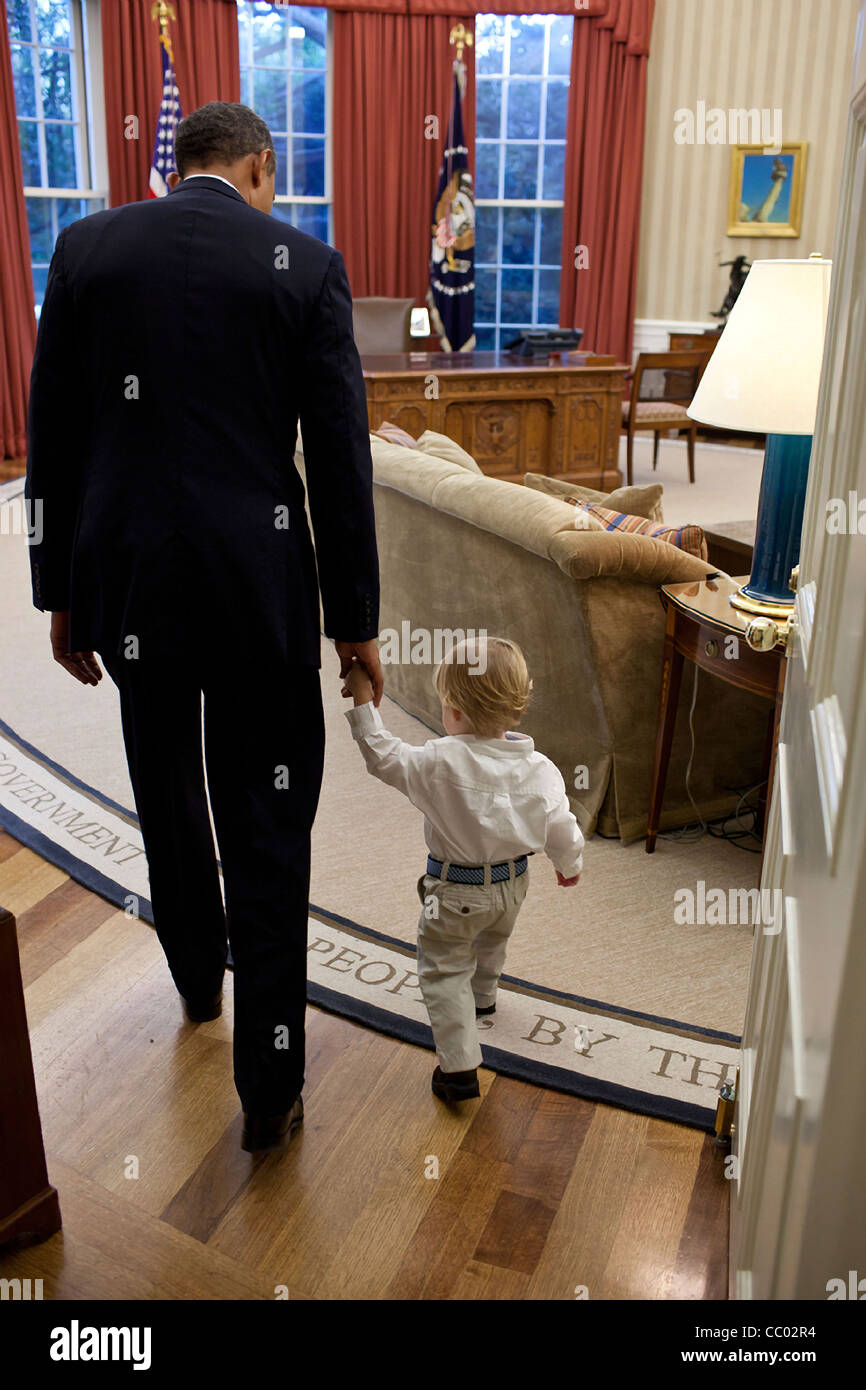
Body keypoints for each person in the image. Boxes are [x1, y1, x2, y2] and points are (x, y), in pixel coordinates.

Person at [25, 101, 382, 1152]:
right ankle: (267, 1097)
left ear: (177, 165)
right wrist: (354, 621)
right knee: (266, 827)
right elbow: (340, 464)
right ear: (261, 168)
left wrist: (59, 592)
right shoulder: (306, 266)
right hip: (257, 589)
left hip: (132, 585)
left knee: (166, 787)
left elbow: (55, 439)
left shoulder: (86, 250)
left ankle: (194, 979)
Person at [342, 636, 583, 1101]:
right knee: (494, 940)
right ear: (518, 704)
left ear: (452, 708)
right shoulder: (542, 770)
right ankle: (484, 997)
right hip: (513, 887)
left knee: (443, 967)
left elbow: (382, 755)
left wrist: (364, 703)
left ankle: (458, 1070)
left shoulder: (438, 762)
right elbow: (562, 829)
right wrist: (569, 865)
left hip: (453, 893)